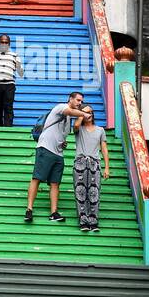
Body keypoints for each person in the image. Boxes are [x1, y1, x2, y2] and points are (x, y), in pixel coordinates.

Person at [25, 91, 85, 224]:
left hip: (58, 153)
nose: (79, 103)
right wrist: (84, 113)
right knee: (37, 178)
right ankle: (29, 209)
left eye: (81, 102)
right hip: (45, 148)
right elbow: (70, 112)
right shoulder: (61, 107)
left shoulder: (69, 119)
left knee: (55, 183)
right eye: (78, 100)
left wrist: (63, 142)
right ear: (70, 99)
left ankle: (54, 212)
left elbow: (63, 133)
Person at [72, 105, 110, 232]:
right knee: (80, 191)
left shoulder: (100, 130)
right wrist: (81, 115)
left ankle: (93, 221)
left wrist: (106, 168)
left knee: (94, 192)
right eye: (86, 112)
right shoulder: (79, 128)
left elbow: (104, 148)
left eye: (91, 112)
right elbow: (76, 126)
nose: (89, 115)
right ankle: (83, 221)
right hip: (80, 163)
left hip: (94, 163)